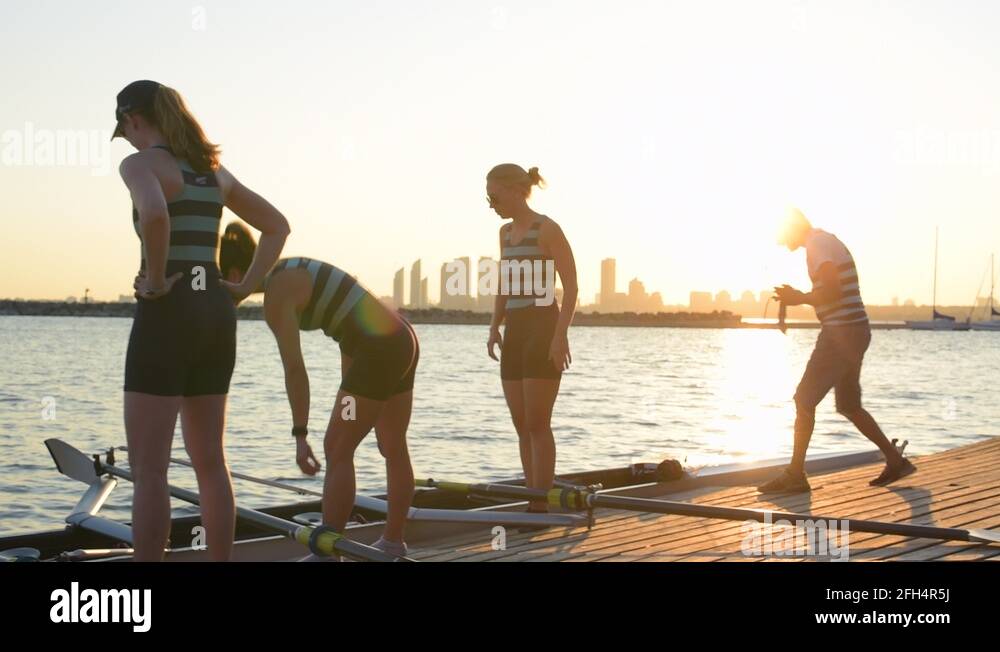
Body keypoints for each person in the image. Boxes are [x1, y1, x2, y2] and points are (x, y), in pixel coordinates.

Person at [115, 80, 289, 560]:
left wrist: (153, 279)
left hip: (168, 310)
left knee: (149, 470)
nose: (126, 139)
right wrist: (246, 286)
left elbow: (154, 215)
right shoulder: (215, 172)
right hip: (214, 307)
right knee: (210, 462)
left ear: (133, 119)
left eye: (124, 129)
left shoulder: (139, 163)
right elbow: (277, 225)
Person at [220, 224, 418, 559]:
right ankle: (393, 542)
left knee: (336, 447)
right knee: (392, 445)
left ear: (237, 274)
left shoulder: (276, 295)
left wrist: (300, 434)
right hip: (401, 339)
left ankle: (330, 551)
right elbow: (351, 320)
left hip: (379, 351)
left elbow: (295, 370)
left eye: (223, 286)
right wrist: (355, 396)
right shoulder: (291, 267)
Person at [758, 208, 915, 493]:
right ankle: (895, 460)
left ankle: (795, 474)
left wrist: (798, 298)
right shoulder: (825, 241)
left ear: (794, 228)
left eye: (782, 236)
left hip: (841, 333)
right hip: (855, 330)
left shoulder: (817, 245)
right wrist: (799, 297)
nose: (781, 243)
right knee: (849, 405)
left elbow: (832, 291)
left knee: (804, 398)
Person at [485, 164, 578, 514]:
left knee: (538, 423)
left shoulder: (548, 229)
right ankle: (532, 497)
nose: (491, 204)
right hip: (516, 331)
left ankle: (541, 503)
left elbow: (571, 287)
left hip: (542, 326)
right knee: (521, 424)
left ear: (513, 190)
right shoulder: (505, 234)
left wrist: (559, 336)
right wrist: (495, 325)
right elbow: (505, 283)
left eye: (494, 196)